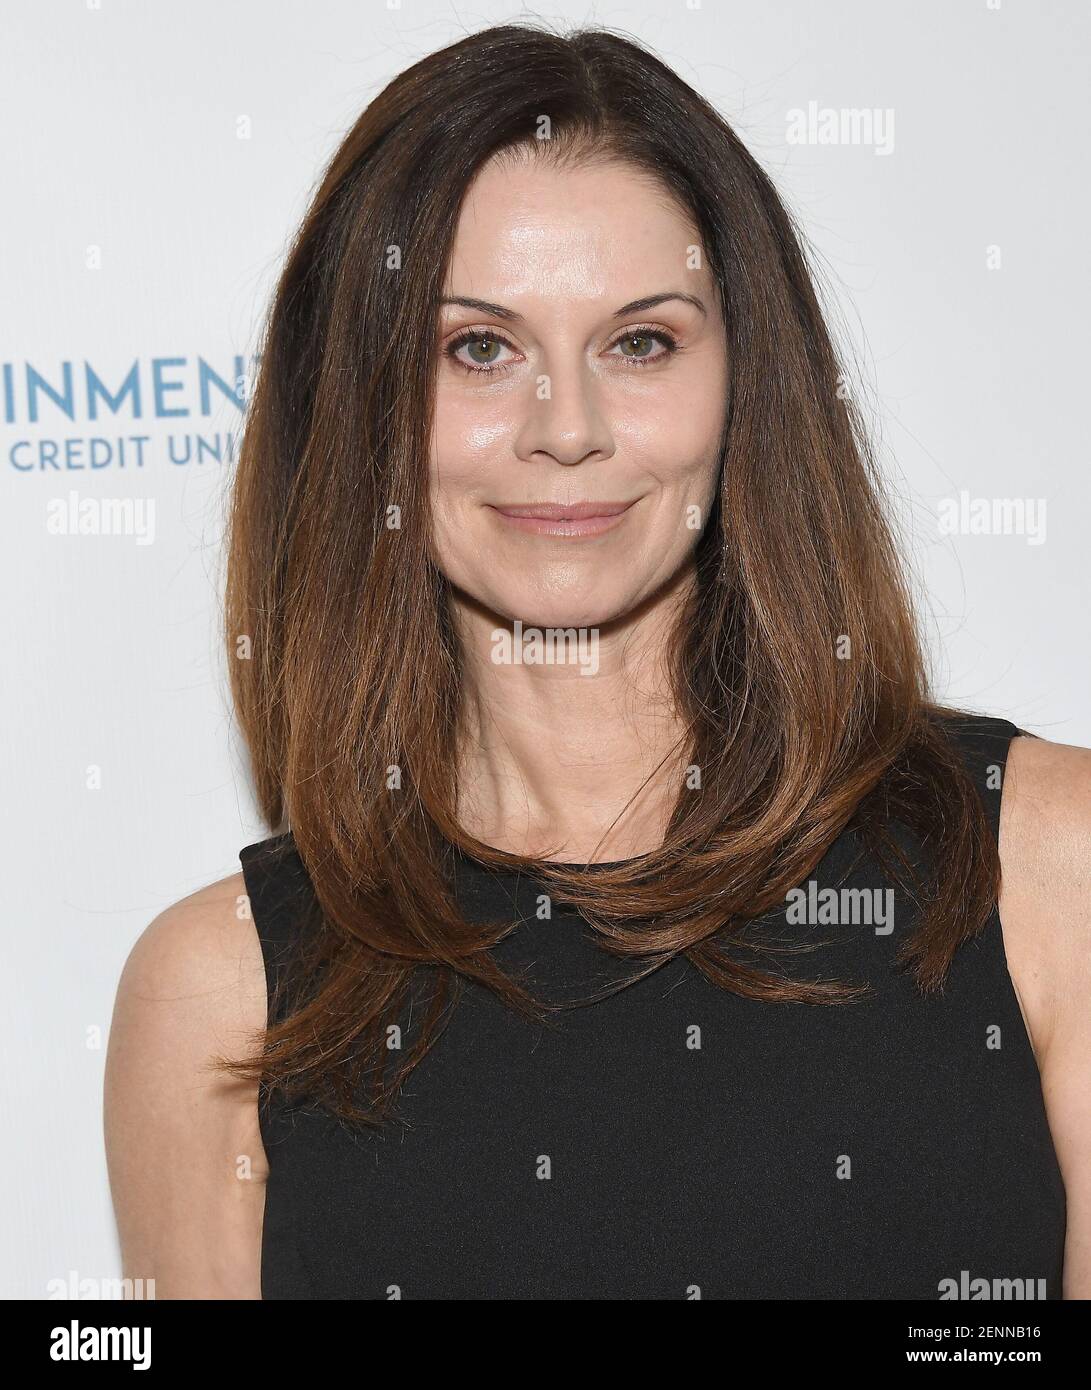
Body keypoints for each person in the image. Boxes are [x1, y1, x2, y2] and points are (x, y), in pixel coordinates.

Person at [104, 23, 1090, 1300]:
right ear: (357, 403)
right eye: (476, 349)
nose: (563, 429)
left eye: (639, 343)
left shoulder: (1046, 870)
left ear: (747, 378)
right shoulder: (223, 997)